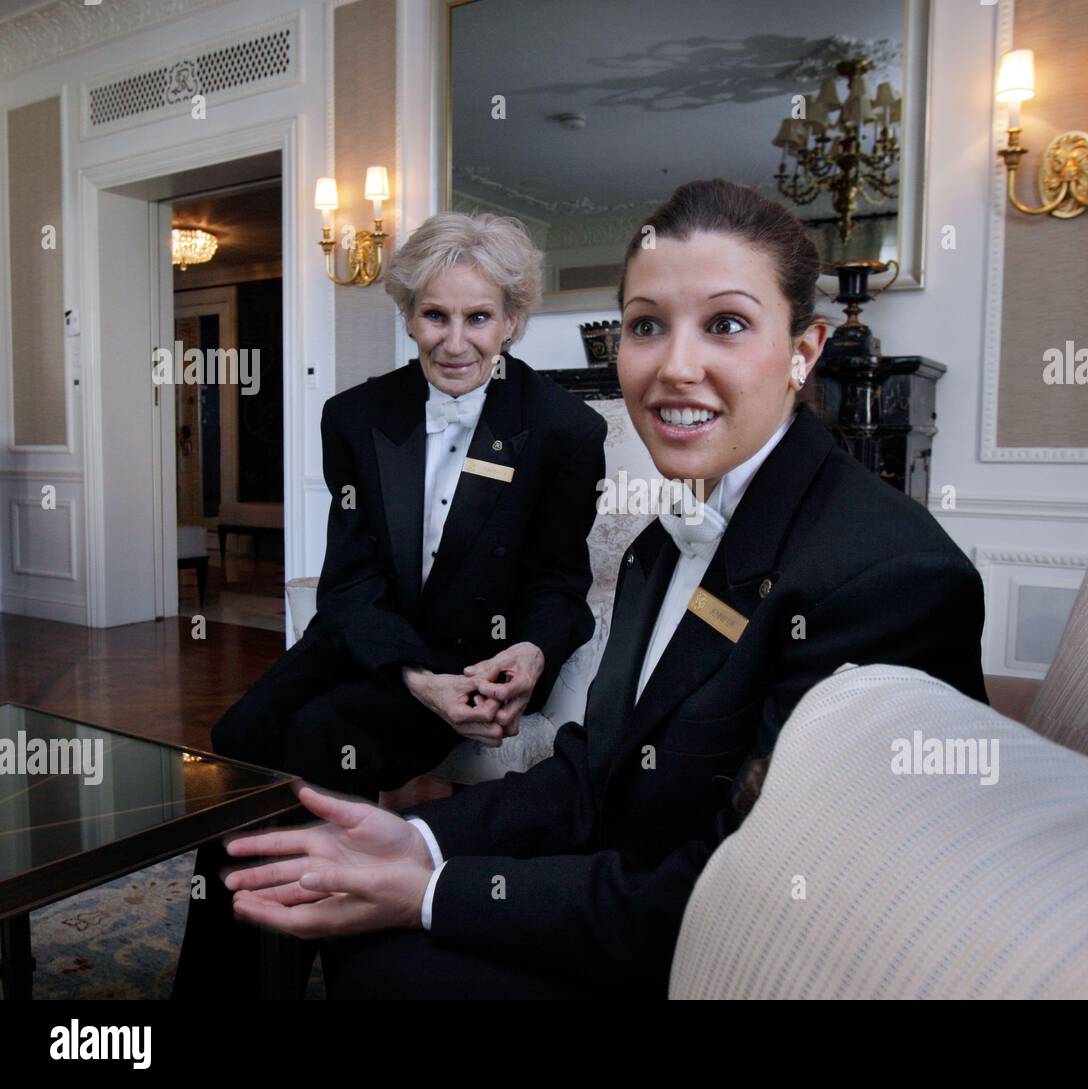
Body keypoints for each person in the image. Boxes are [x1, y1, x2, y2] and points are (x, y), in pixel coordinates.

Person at [220, 178, 988, 999]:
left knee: (378, 945)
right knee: (279, 800)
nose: (675, 365)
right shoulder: (663, 545)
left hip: (743, 960)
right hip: (630, 861)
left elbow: (758, 902)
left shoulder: (892, 580)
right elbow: (599, 771)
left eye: (726, 324)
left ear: (805, 351)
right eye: (647, 326)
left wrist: (434, 891)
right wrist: (417, 840)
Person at [172, 211, 606, 998]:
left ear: (511, 319)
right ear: (409, 313)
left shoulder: (563, 428)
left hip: (482, 659)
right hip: (378, 641)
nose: (455, 340)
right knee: (238, 739)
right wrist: (413, 675)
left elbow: (559, 583)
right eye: (435, 315)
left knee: (315, 739)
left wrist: (534, 653)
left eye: (479, 317)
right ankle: (236, 975)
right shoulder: (357, 414)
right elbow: (349, 581)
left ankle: (300, 962)